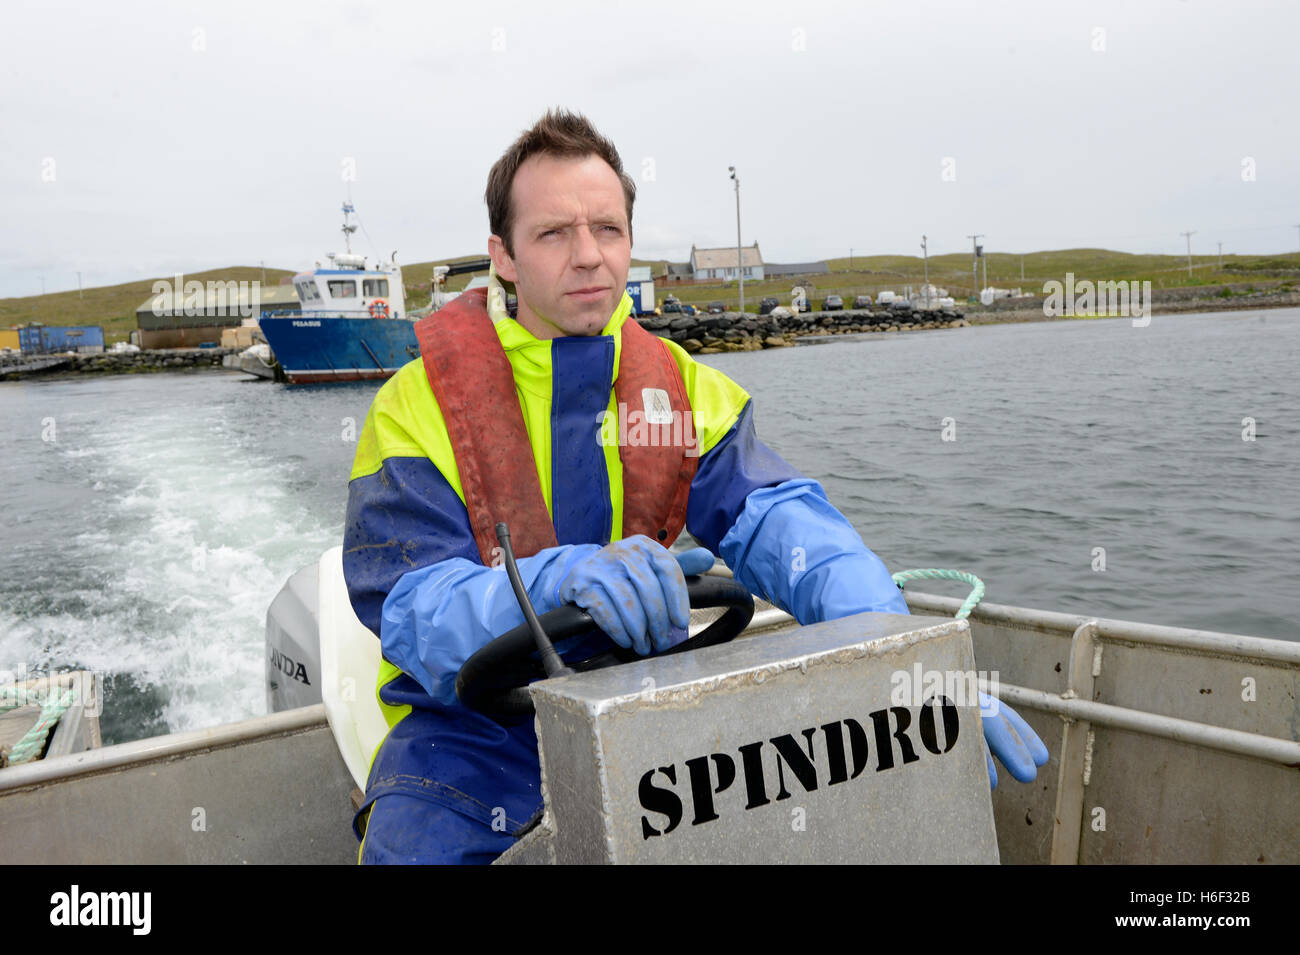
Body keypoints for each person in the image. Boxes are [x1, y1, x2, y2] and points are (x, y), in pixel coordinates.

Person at [342, 109, 1047, 865]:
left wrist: (906, 665)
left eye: (608, 230)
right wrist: (559, 583)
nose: (589, 257)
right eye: (554, 234)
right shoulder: (417, 407)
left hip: (648, 721)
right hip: (470, 740)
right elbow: (410, 606)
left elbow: (793, 532)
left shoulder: (681, 391)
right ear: (503, 257)